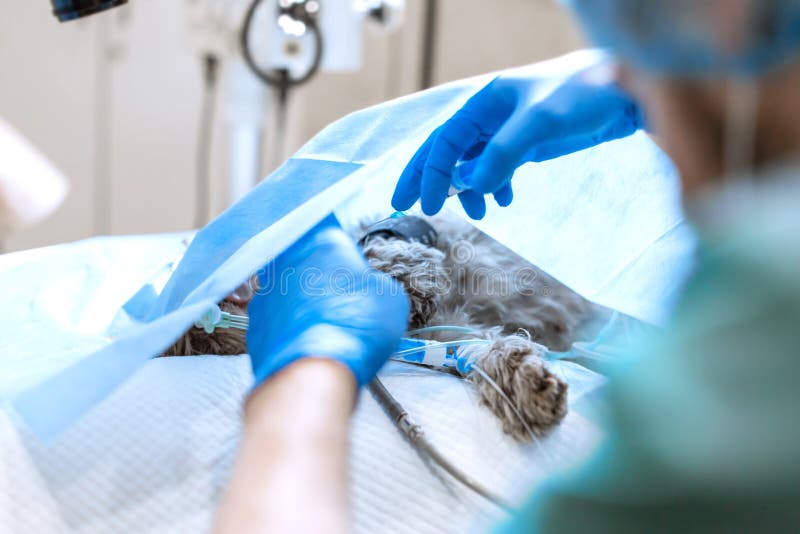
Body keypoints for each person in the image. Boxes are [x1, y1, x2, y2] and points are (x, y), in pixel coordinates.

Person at [217, 0, 800, 531]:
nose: (621, 74)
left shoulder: (770, 299)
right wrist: (648, 91)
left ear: (727, 17)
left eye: (630, 55)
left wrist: (306, 374)